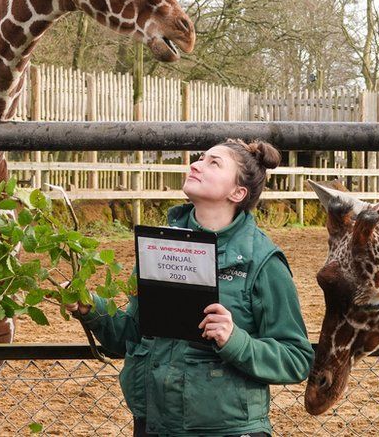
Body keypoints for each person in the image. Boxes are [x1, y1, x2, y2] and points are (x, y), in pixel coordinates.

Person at [67, 139, 313, 436]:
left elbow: (296, 358)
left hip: (227, 431)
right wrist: (91, 308)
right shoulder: (160, 246)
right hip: (154, 426)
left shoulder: (262, 261)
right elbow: (132, 335)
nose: (196, 165)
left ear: (238, 192)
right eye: (200, 158)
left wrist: (235, 340)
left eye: (214, 163)